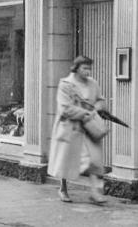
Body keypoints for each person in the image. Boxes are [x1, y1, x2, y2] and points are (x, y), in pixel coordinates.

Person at [48, 55, 108, 204]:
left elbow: (100, 100)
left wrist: (98, 107)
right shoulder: (66, 84)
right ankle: (63, 188)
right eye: (84, 68)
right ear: (76, 68)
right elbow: (65, 109)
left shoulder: (93, 83)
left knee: (94, 160)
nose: (88, 71)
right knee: (66, 160)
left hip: (89, 128)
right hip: (70, 127)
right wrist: (86, 113)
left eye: (89, 68)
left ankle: (95, 193)